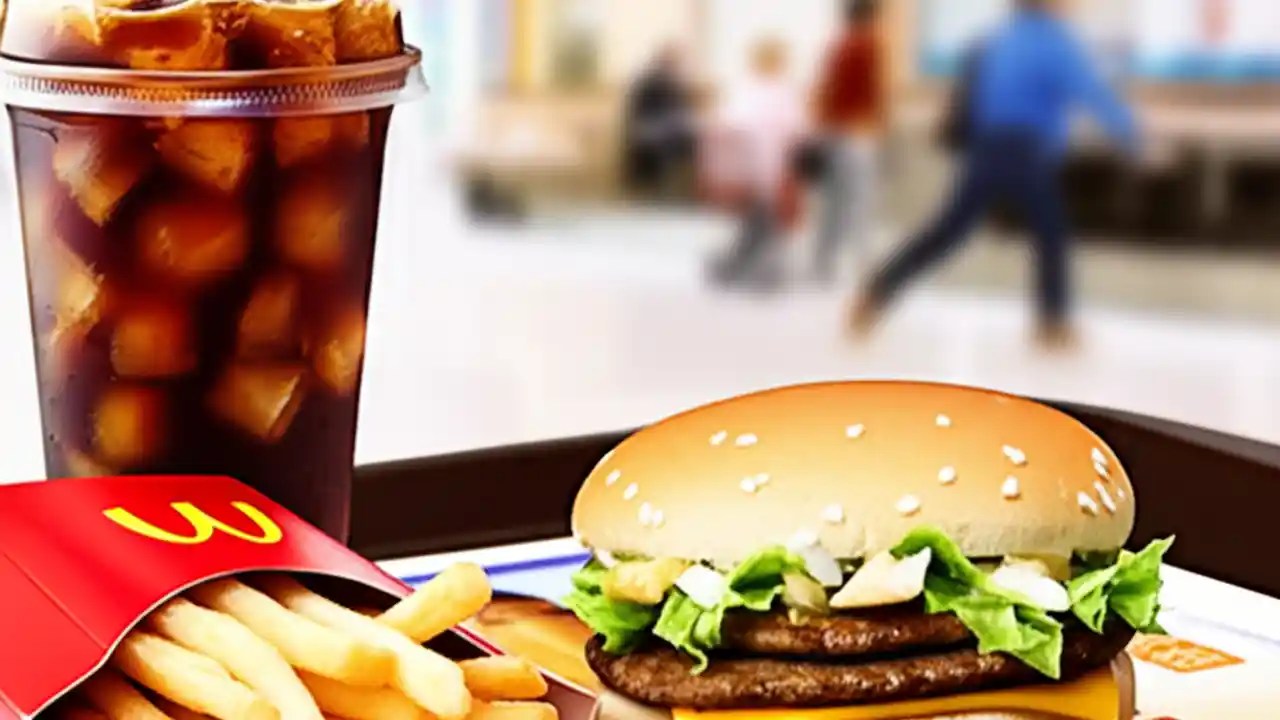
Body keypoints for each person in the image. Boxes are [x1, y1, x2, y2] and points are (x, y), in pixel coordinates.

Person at [850, 0, 1139, 348]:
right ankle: (1052, 324)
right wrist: (1133, 139)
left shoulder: (1002, 37)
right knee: (1051, 233)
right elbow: (1093, 92)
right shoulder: (1053, 40)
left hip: (986, 149)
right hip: (1024, 150)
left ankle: (876, 292)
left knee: (947, 231)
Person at [707, 38, 807, 290]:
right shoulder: (782, 93)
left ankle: (735, 267)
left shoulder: (745, 91)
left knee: (758, 221)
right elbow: (798, 130)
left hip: (746, 170)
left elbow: (725, 126)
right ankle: (756, 270)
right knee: (767, 221)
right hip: (771, 167)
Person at [811, 0, 887, 284]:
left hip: (833, 131)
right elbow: (875, 93)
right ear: (869, 17)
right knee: (860, 201)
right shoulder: (869, 46)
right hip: (857, 133)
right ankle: (862, 264)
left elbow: (825, 90)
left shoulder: (838, 45)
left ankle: (822, 261)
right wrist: (877, 125)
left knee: (833, 201)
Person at [624, 45, 697, 200]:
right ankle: (665, 187)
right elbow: (645, 111)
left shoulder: (674, 81)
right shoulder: (651, 80)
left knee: (692, 139)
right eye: (672, 60)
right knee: (675, 138)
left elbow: (680, 109)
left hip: (664, 126)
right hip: (649, 127)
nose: (676, 65)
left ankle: (685, 187)